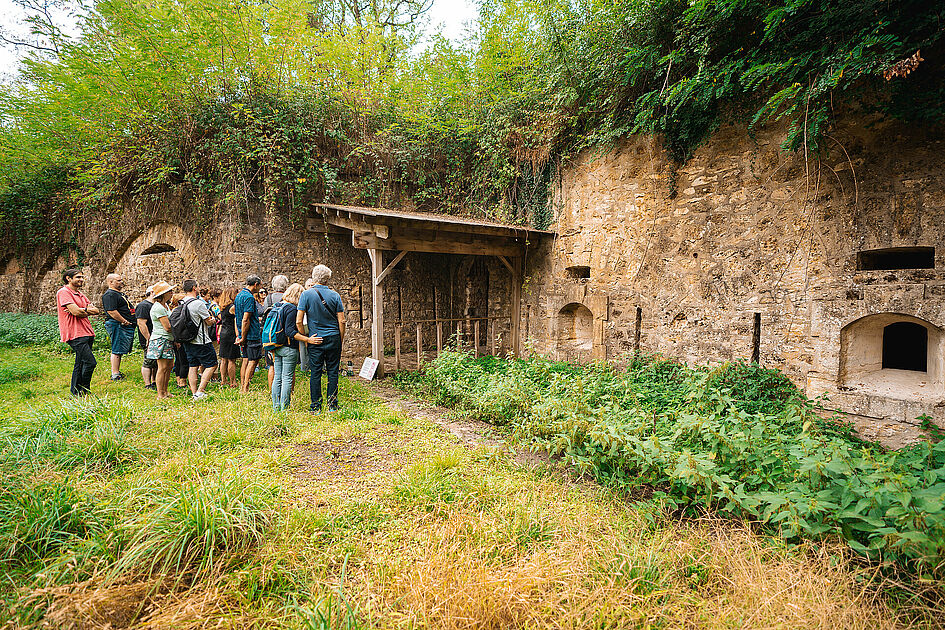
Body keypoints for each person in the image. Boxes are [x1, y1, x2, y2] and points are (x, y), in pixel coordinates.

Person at [297, 265, 345, 413]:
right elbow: (341, 321)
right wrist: (340, 339)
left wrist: (306, 339)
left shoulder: (306, 295)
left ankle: (316, 406)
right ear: (328, 278)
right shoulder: (335, 295)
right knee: (332, 371)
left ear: (313, 276)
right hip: (333, 337)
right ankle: (332, 405)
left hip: (315, 338)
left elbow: (299, 321)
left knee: (315, 372)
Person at [56, 269, 100, 396]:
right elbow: (77, 312)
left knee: (80, 363)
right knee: (90, 362)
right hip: (74, 333)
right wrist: (85, 310)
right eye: (78, 277)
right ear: (68, 279)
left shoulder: (79, 294)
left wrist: (82, 310)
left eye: (82, 277)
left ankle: (75, 392)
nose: (81, 279)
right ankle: (84, 390)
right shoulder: (63, 292)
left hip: (87, 332)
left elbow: (96, 310)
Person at [270, 283, 309, 411]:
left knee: (277, 377)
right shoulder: (292, 309)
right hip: (288, 347)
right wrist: (307, 339)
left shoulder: (277, 305)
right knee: (287, 378)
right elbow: (290, 332)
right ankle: (284, 407)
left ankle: (276, 407)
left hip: (276, 346)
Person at [181, 279, 218, 400]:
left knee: (193, 365)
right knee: (212, 364)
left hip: (187, 339)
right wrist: (213, 320)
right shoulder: (198, 304)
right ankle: (200, 391)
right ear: (193, 288)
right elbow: (208, 321)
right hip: (201, 340)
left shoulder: (182, 302)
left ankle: (194, 392)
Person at [101, 273, 136, 381]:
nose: (121, 282)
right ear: (110, 282)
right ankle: (115, 374)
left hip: (122, 324)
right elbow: (112, 311)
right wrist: (124, 321)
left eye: (121, 280)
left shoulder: (118, 294)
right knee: (117, 348)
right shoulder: (110, 294)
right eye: (118, 280)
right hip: (117, 324)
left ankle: (116, 371)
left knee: (120, 348)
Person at [145, 282, 175, 400]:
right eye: (169, 291)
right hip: (161, 339)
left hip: (167, 339)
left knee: (169, 366)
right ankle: (160, 394)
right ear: (163, 294)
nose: (172, 293)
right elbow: (167, 327)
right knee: (162, 368)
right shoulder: (158, 308)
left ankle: (165, 391)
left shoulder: (165, 306)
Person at [234, 275, 263, 392]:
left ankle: (243, 385)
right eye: (260, 285)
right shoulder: (249, 298)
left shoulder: (238, 296)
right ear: (255, 284)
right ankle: (245, 387)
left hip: (243, 333)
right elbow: (246, 319)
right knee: (253, 360)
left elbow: (237, 317)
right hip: (251, 334)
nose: (260, 288)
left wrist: (239, 335)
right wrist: (244, 337)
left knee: (245, 359)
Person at [263, 274, 289, 390]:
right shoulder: (288, 298)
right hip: (285, 335)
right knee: (288, 367)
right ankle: (288, 391)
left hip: (271, 336)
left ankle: (271, 390)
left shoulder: (268, 298)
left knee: (272, 366)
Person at [217, 287, 240, 387]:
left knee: (223, 359)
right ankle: (233, 381)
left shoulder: (222, 306)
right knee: (231, 359)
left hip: (223, 333)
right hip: (230, 333)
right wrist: (238, 335)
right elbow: (236, 321)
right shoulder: (232, 307)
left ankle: (223, 380)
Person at [135, 287, 156, 390]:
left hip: (156, 337)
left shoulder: (154, 305)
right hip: (149, 338)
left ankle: (154, 381)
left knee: (155, 361)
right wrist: (148, 338)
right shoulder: (143, 306)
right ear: (151, 292)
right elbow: (141, 323)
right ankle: (147, 384)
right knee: (148, 361)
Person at [170, 293, 190, 388]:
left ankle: (178, 379)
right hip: (180, 339)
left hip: (176, 339)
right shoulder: (179, 311)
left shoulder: (173, 311)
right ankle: (182, 381)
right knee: (184, 360)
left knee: (178, 360)